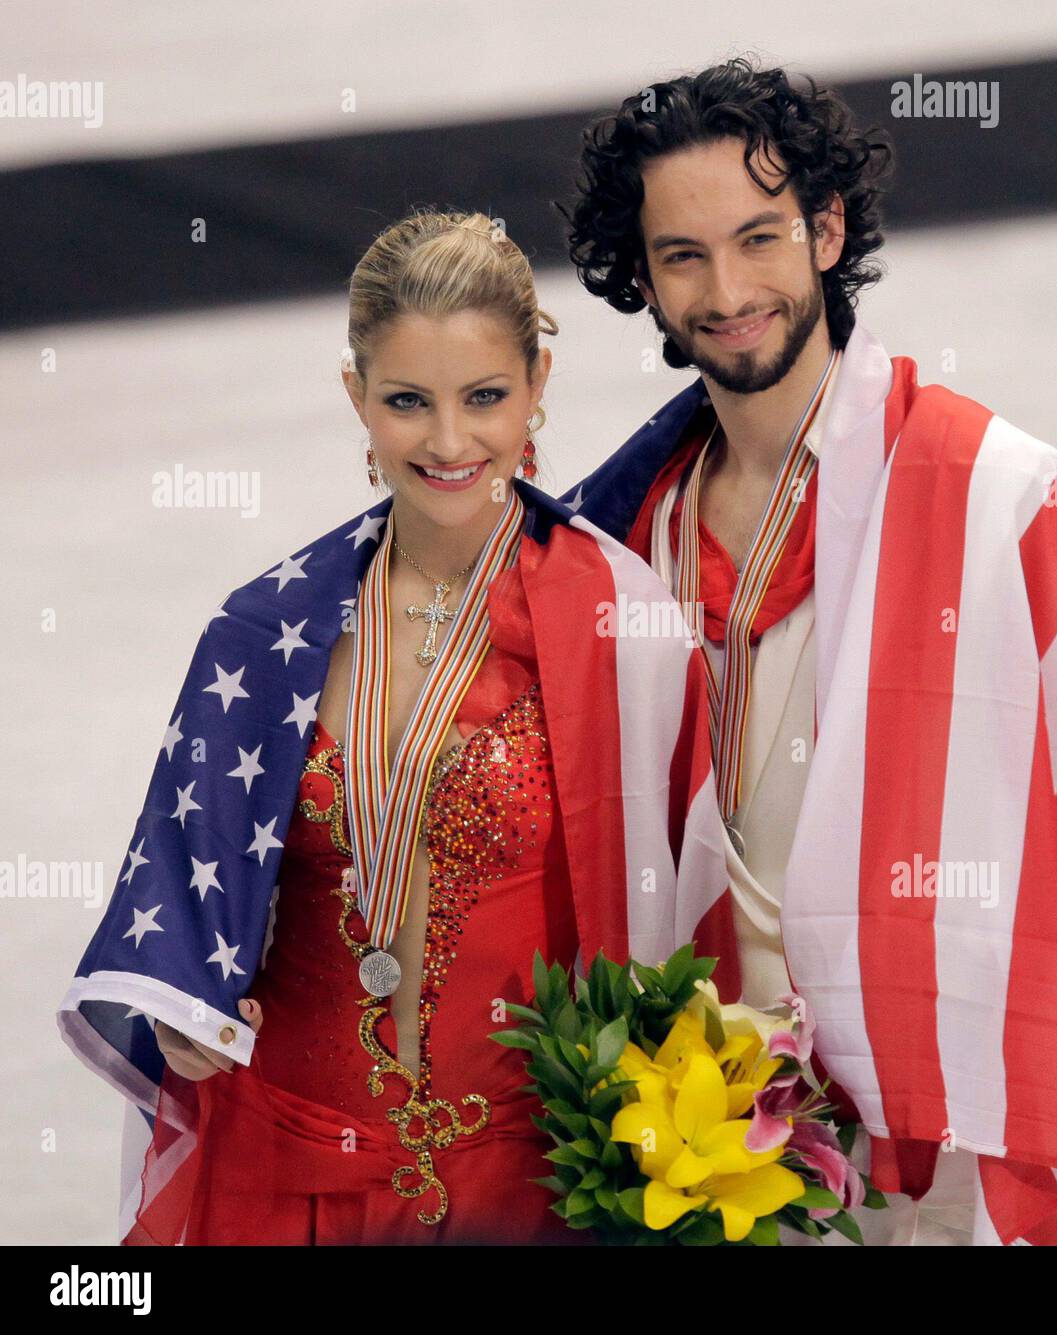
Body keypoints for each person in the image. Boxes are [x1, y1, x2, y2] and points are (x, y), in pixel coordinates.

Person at [557, 58, 1057, 1246]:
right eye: (682, 256)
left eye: (759, 238)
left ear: (828, 228)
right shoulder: (625, 539)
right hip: (693, 1163)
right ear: (640, 276)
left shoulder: (1003, 497)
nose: (728, 289)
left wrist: (991, 1067)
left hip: (931, 1170)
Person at [56, 208, 740, 1246]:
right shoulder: (264, 634)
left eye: (485, 398)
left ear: (537, 389)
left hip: (530, 1186)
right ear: (356, 397)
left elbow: (688, 920)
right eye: (409, 401)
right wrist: (182, 1018)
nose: (450, 440)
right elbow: (192, 922)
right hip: (287, 1168)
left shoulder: (621, 625)